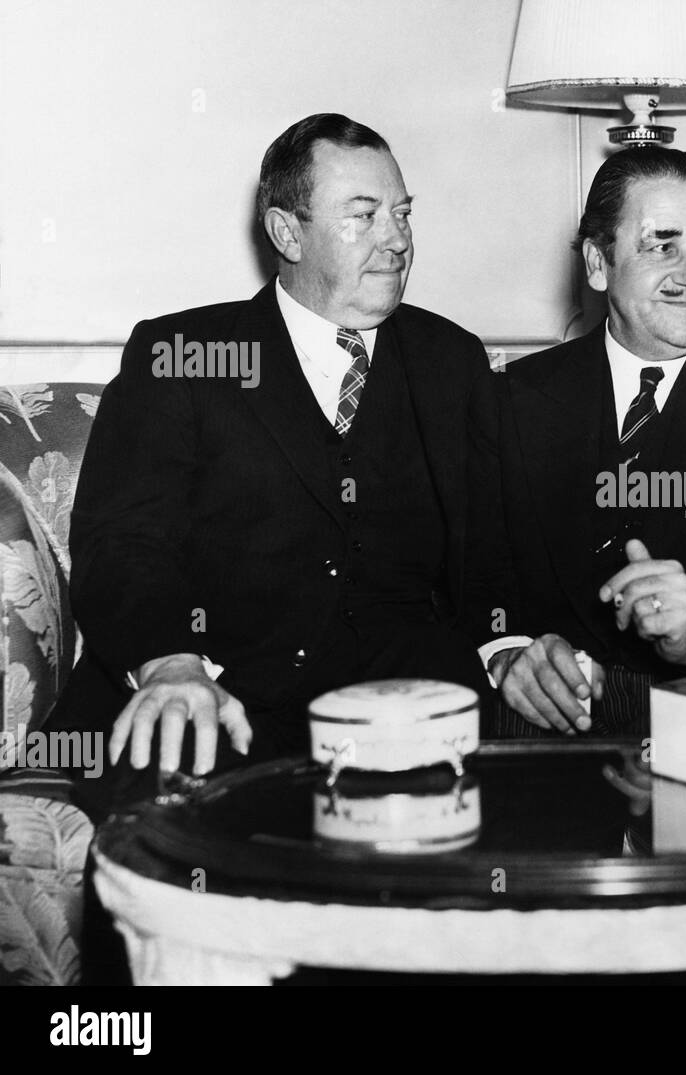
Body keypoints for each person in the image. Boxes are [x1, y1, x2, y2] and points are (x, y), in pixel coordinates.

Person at [46, 113, 489, 823]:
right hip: (217, 705)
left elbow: (492, 547)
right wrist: (170, 661)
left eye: (402, 214)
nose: (397, 239)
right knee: (176, 847)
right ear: (287, 232)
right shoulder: (183, 355)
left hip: (399, 723)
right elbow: (124, 539)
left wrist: (513, 644)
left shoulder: (452, 361)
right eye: (364, 215)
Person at [463, 147, 686, 736]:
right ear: (598, 263)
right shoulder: (512, 398)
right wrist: (507, 652)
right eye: (663, 245)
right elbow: (476, 569)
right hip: (545, 719)